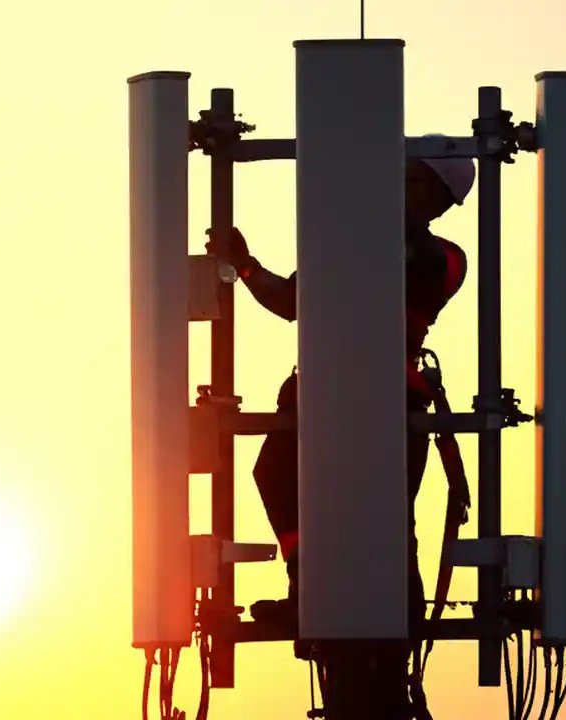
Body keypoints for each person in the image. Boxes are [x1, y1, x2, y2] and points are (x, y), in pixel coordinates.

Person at [206, 148, 474, 654]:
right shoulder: (354, 248)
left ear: (431, 194)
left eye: (407, 179)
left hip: (390, 403)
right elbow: (291, 303)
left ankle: (397, 618)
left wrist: (364, 179)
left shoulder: (447, 258)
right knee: (277, 475)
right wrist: (245, 266)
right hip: (323, 398)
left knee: (387, 514)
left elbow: (418, 254)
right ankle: (306, 584)